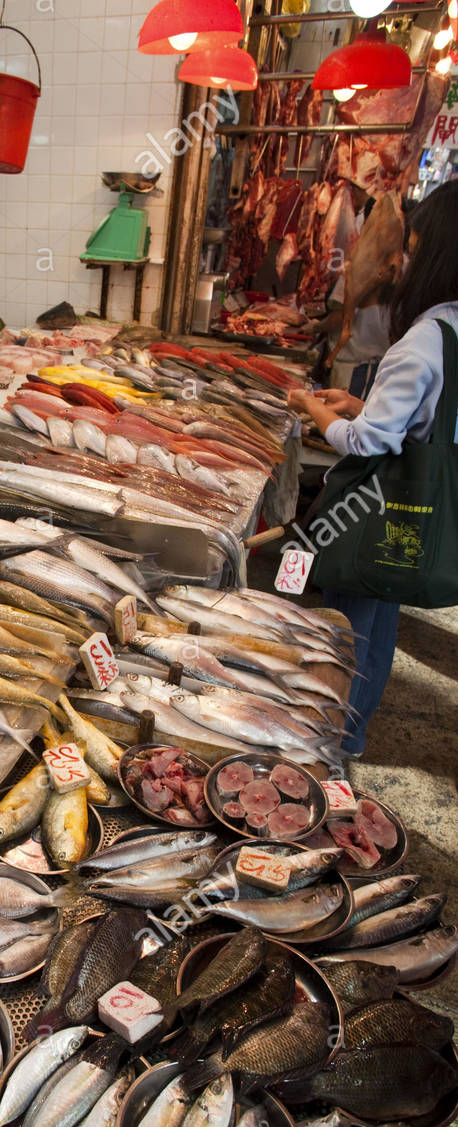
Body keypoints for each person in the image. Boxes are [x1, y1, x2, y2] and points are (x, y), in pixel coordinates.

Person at [287, 178, 458, 759]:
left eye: (409, 246)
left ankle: (327, 740)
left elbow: (366, 445)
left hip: (375, 509)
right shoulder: (454, 332)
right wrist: (364, 405)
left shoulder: (424, 340)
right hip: (416, 509)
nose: (396, 259)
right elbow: (428, 423)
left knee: (347, 621)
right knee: (381, 612)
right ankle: (352, 734)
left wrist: (313, 406)